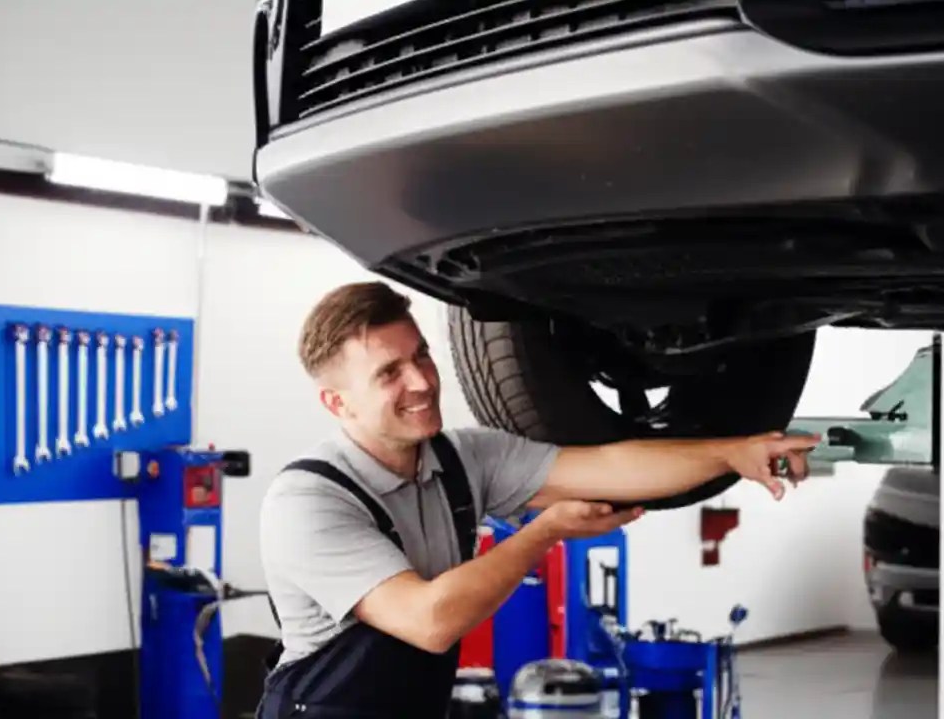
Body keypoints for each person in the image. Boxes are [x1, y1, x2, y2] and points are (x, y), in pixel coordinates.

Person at [257, 281, 818, 718]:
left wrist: (733, 451)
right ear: (338, 403)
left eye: (421, 356)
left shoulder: (463, 458)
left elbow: (610, 467)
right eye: (390, 373)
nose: (423, 382)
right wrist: (543, 532)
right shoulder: (308, 501)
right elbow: (430, 620)